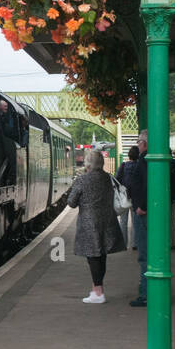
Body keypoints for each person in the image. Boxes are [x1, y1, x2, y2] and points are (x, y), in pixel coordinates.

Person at [66, 149, 126, 303]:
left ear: (87, 163)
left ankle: (98, 293)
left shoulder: (82, 180)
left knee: (93, 257)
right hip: (107, 220)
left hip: (89, 222)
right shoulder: (108, 178)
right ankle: (96, 288)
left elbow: (71, 203)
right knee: (102, 255)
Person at [124, 131, 149, 307]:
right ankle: (147, 290)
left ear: (145, 143)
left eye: (139, 141)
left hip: (143, 212)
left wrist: (142, 207)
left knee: (144, 254)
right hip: (146, 210)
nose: (138, 145)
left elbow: (147, 184)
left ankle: (146, 293)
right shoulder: (146, 159)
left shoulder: (145, 159)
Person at [115, 145, 140, 248]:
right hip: (136, 197)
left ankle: (123, 243)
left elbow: (117, 179)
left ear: (129, 155)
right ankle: (135, 244)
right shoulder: (140, 166)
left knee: (123, 221)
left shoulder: (124, 165)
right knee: (135, 222)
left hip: (124, 197)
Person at [0, 99, 20, 184]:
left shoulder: (4, 116)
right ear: (0, 106)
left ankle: (11, 176)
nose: (7, 107)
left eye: (7, 106)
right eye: (5, 106)